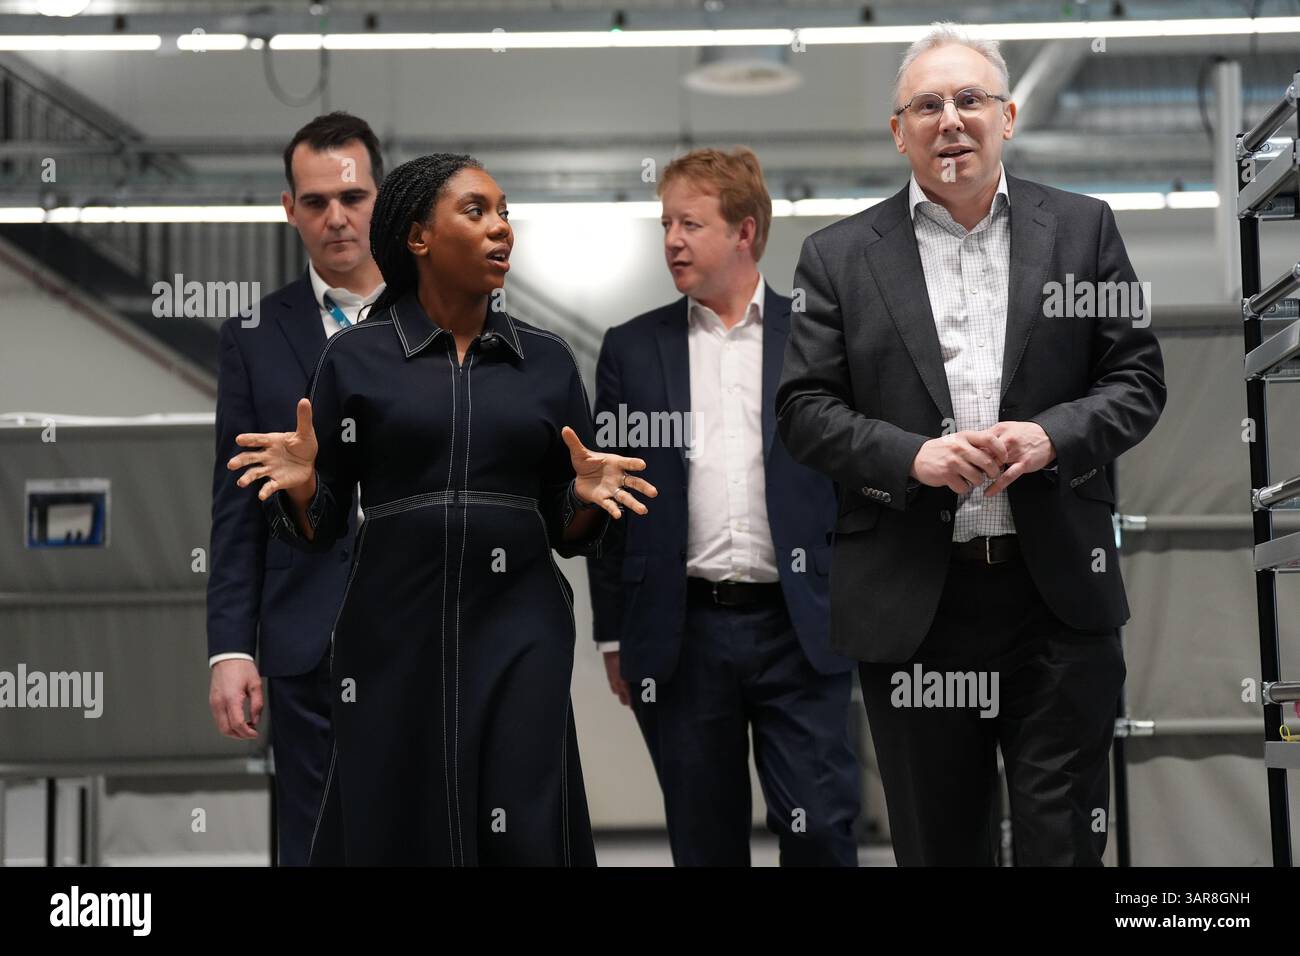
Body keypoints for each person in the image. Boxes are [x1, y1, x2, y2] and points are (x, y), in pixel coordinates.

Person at [775, 23, 1166, 866]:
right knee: (940, 845)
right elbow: (803, 409)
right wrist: (909, 459)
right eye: (927, 104)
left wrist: (1053, 435)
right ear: (898, 130)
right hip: (917, 606)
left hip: (1054, 596)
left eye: (969, 99)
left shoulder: (1084, 231)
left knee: (1060, 841)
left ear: (1009, 116)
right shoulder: (837, 258)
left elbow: (1138, 381)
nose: (950, 119)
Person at [226, 153, 656, 866]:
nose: (502, 229)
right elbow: (324, 524)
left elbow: (565, 528)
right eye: (477, 211)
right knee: (397, 817)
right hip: (389, 629)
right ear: (419, 237)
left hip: (521, 627)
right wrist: (304, 488)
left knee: (521, 817)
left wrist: (585, 502)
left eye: (505, 212)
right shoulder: (355, 359)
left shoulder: (546, 363)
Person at [587, 148, 860, 866]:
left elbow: (856, 479)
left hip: (801, 627)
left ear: (745, 232)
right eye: (665, 223)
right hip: (683, 635)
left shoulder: (819, 339)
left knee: (823, 830)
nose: (671, 240)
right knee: (705, 844)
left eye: (690, 223)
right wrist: (611, 633)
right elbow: (612, 501)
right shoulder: (632, 349)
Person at [206, 111, 385, 866]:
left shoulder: (444, 316)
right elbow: (235, 503)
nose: (335, 218)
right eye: (315, 202)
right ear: (290, 209)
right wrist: (228, 652)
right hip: (304, 634)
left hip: (427, 625)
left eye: (352, 197)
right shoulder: (254, 333)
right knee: (313, 844)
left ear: (384, 198)